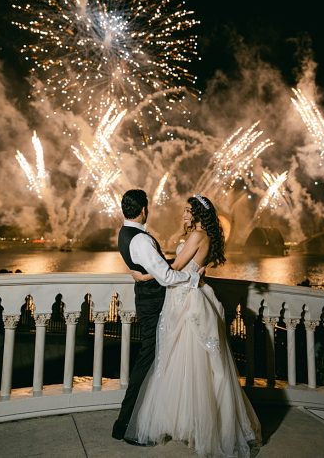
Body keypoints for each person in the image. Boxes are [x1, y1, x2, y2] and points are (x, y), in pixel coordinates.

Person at [125, 194, 261, 457]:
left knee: (187, 359)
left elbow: (174, 266)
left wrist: (143, 273)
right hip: (188, 295)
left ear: (199, 215)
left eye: (188, 211)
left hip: (187, 302)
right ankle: (190, 423)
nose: (184, 215)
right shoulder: (201, 237)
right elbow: (190, 268)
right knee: (188, 361)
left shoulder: (198, 236)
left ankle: (195, 425)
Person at [112, 189, 203, 443]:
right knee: (148, 360)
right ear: (143, 210)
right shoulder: (141, 240)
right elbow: (167, 276)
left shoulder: (125, 233)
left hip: (146, 300)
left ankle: (151, 417)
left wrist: (151, 272)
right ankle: (128, 423)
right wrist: (192, 276)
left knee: (155, 359)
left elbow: (157, 268)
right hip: (153, 305)